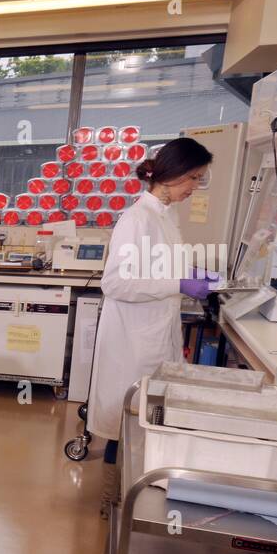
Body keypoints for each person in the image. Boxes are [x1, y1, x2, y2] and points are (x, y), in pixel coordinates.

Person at [87, 136, 219, 514]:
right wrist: (179, 283)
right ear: (172, 174)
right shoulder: (137, 219)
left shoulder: (165, 215)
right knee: (124, 419)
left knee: (143, 419)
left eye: (199, 179)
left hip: (155, 331)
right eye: (193, 178)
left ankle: (131, 494)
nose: (195, 187)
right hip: (133, 339)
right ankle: (110, 500)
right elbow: (115, 282)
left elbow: (156, 266)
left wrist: (189, 272)